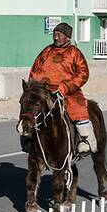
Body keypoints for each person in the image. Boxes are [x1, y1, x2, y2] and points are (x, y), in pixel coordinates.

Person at [29, 22, 95, 155]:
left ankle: (85, 140)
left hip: (68, 90)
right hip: (45, 90)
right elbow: (35, 71)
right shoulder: (46, 51)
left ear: (67, 37)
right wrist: (33, 88)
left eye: (59, 35)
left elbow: (83, 73)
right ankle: (27, 138)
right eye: (54, 34)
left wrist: (66, 87)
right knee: (30, 107)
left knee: (78, 106)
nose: (56, 37)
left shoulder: (74, 52)